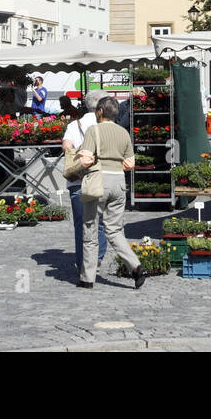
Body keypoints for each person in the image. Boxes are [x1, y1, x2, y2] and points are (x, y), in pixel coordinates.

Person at [75, 97, 146, 289]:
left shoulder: (93, 130)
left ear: (99, 112)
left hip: (99, 181)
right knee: (114, 230)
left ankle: (87, 278)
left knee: (90, 228)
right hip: (119, 183)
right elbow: (130, 163)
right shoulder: (123, 133)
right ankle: (136, 266)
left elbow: (86, 160)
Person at [61, 96, 106, 277]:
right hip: (98, 179)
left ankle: (82, 262)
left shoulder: (74, 125)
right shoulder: (105, 126)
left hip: (77, 180)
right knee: (100, 222)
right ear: (102, 107)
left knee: (81, 223)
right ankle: (97, 258)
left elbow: (66, 147)